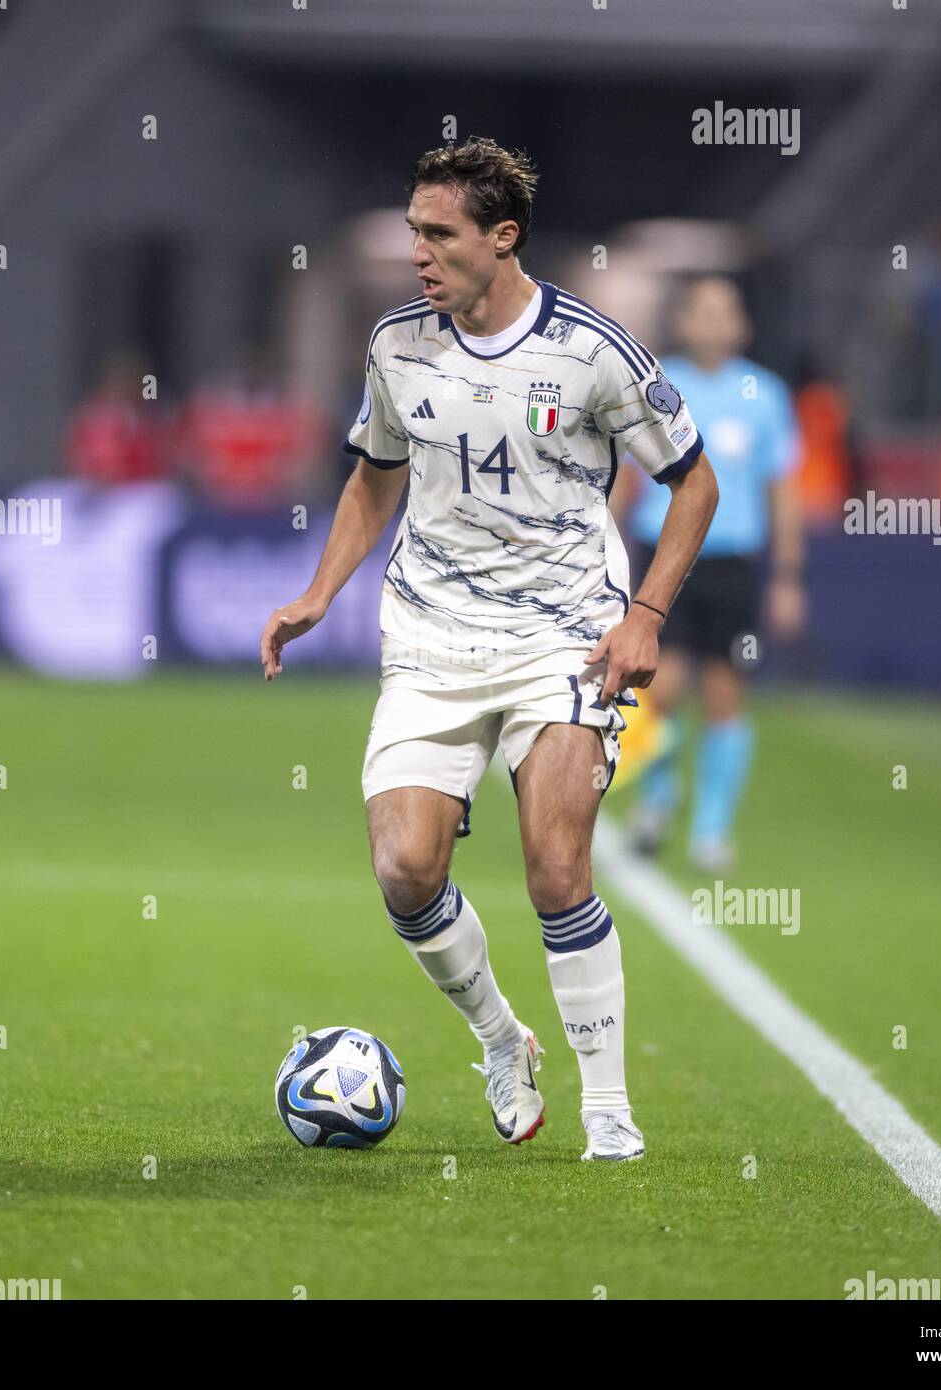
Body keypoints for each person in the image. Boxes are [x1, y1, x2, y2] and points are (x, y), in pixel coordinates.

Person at [260, 137, 717, 1162]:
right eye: (413, 231)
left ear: (501, 237)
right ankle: (500, 1039)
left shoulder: (592, 352)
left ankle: (607, 1109)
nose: (417, 251)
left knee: (557, 867)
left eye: (437, 233)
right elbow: (375, 472)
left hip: (562, 632)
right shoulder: (396, 346)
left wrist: (643, 612)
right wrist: (319, 592)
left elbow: (694, 480)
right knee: (403, 868)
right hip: (428, 638)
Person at [615, 276, 804, 869]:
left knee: (725, 695)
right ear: (684, 321)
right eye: (703, 311)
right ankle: (657, 800)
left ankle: (712, 829)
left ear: (742, 324)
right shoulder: (656, 384)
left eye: (726, 311)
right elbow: (623, 476)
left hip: (734, 564)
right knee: (658, 688)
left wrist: (788, 576)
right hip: (666, 553)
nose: (714, 322)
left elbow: (784, 488)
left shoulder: (767, 395)